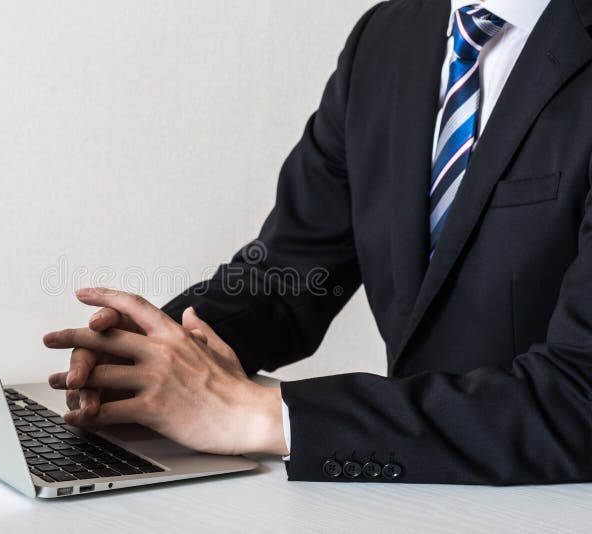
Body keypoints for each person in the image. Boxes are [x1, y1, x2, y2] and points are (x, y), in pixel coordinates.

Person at [42, 0, 592, 485]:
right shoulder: (389, 37)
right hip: (411, 495)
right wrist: (151, 352)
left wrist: (264, 414)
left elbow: (578, 399)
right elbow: (290, 275)